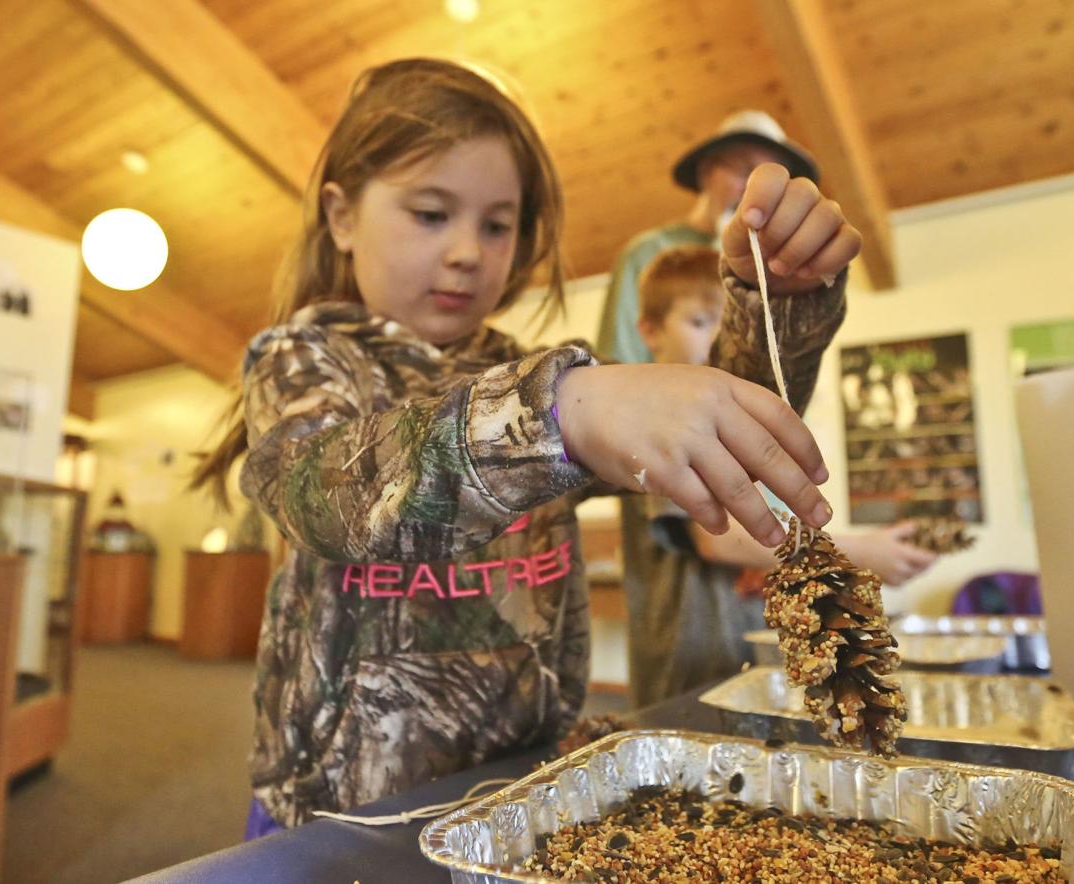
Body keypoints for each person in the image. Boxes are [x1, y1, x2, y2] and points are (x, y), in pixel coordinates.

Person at [191, 58, 859, 834]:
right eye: (431, 214)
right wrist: (556, 414)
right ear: (341, 216)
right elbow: (331, 497)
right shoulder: (301, 361)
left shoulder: (529, 373)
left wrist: (780, 307)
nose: (469, 251)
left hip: (520, 788)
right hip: (339, 814)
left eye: (497, 224)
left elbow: (707, 426)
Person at [622, 246, 937, 706]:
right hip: (687, 665)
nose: (718, 340)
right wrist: (859, 551)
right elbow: (714, 540)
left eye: (727, 323)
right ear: (650, 330)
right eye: (699, 321)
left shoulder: (728, 418)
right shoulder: (650, 416)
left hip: (748, 650)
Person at [597, 110, 819, 364]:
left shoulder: (775, 268)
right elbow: (616, 360)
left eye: (774, 181)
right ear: (706, 173)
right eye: (744, 169)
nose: (755, 189)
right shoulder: (647, 253)